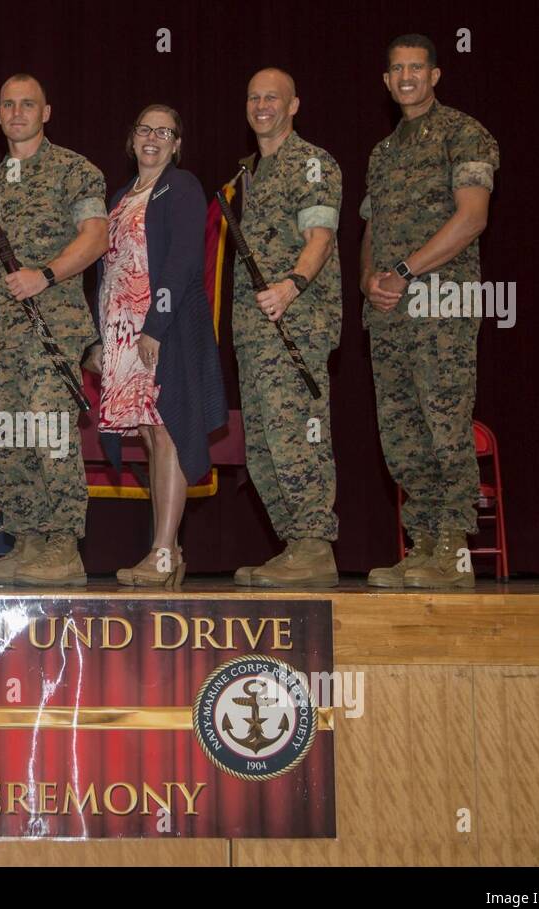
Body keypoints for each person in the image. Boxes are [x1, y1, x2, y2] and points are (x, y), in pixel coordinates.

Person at [360, 34, 499, 589]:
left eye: (417, 67)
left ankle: (454, 547)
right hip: (390, 311)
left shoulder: (464, 132)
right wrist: (372, 280)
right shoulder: (383, 151)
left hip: (441, 304)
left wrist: (407, 272)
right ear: (387, 80)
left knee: (444, 423)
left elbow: (473, 218)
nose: (407, 77)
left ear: (435, 75)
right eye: (397, 69)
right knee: (401, 431)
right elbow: (372, 228)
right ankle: (423, 544)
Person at [0, 74, 108, 587]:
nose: (18, 112)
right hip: (0, 334)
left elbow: (96, 237)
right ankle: (25, 543)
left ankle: (63, 547)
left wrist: (44, 274)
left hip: (52, 330)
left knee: (49, 434)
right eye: (8, 105)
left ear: (46, 112)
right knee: (6, 439)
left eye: (28, 105)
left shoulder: (75, 171)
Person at [90, 104, 225, 587]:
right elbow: (108, 270)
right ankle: (169, 550)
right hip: (123, 331)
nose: (152, 138)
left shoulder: (181, 186)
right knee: (149, 437)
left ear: (177, 143)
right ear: (132, 139)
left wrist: (156, 325)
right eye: (144, 129)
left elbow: (186, 259)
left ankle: (162, 552)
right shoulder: (121, 195)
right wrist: (101, 337)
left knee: (167, 430)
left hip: (161, 328)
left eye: (163, 131)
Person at [230, 68, 343, 588]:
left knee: (297, 431)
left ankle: (315, 545)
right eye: (254, 97)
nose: (262, 105)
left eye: (272, 97)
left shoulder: (310, 163)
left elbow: (319, 237)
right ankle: (295, 546)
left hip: (295, 323)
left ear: (293, 105)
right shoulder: (250, 172)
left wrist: (293, 285)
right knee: (262, 443)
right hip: (254, 333)